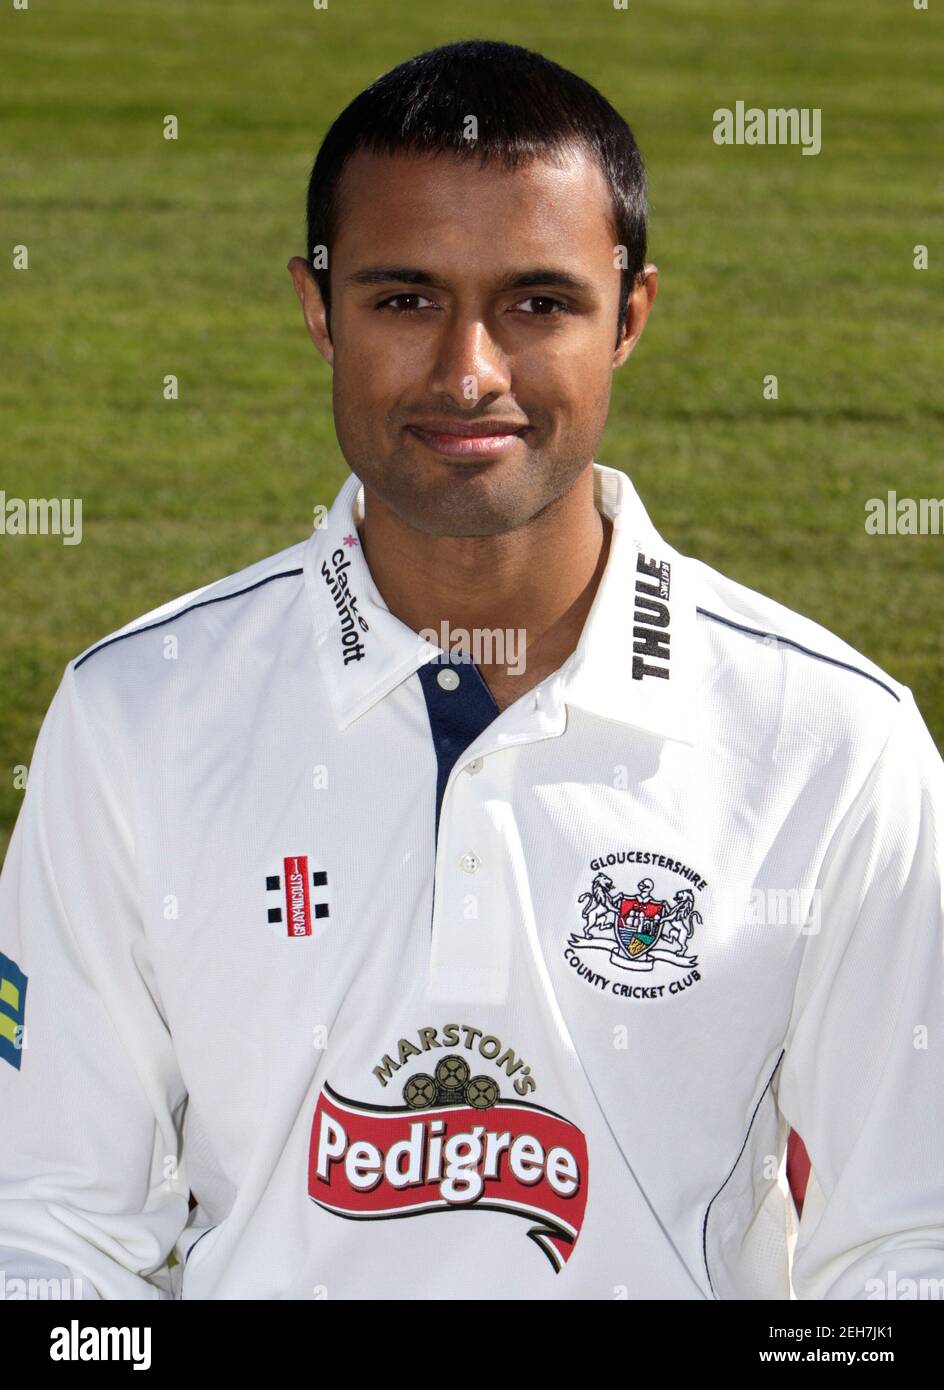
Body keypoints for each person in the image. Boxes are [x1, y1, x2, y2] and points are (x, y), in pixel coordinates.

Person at [1, 39, 941, 1301]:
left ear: (630, 318)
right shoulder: (133, 715)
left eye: (537, 303)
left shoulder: (835, 740)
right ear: (315, 309)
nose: (467, 371)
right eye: (403, 298)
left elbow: (902, 1250)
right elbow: (49, 1236)